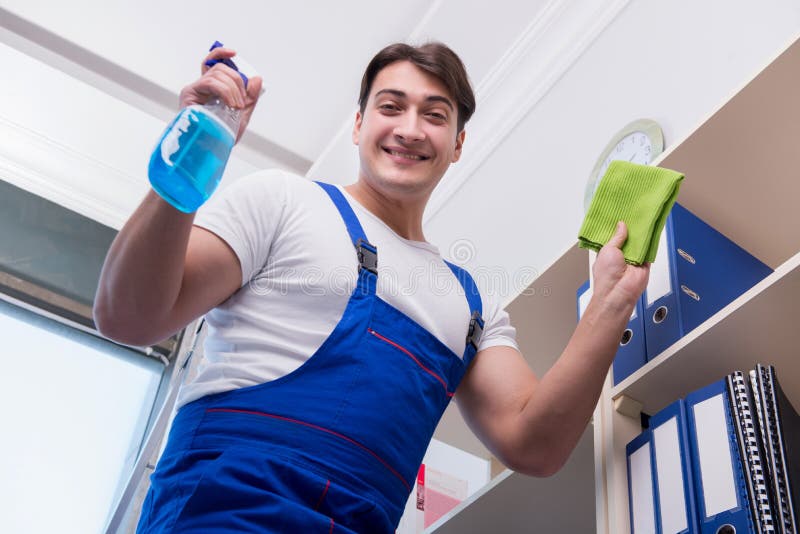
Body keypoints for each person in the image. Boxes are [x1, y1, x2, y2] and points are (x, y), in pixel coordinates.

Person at [95, 41, 649, 533]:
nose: (410, 129)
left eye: (434, 115)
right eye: (391, 107)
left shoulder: (471, 306)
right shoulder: (284, 201)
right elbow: (129, 317)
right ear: (359, 124)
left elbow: (536, 444)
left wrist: (609, 304)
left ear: (457, 144)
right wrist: (194, 157)